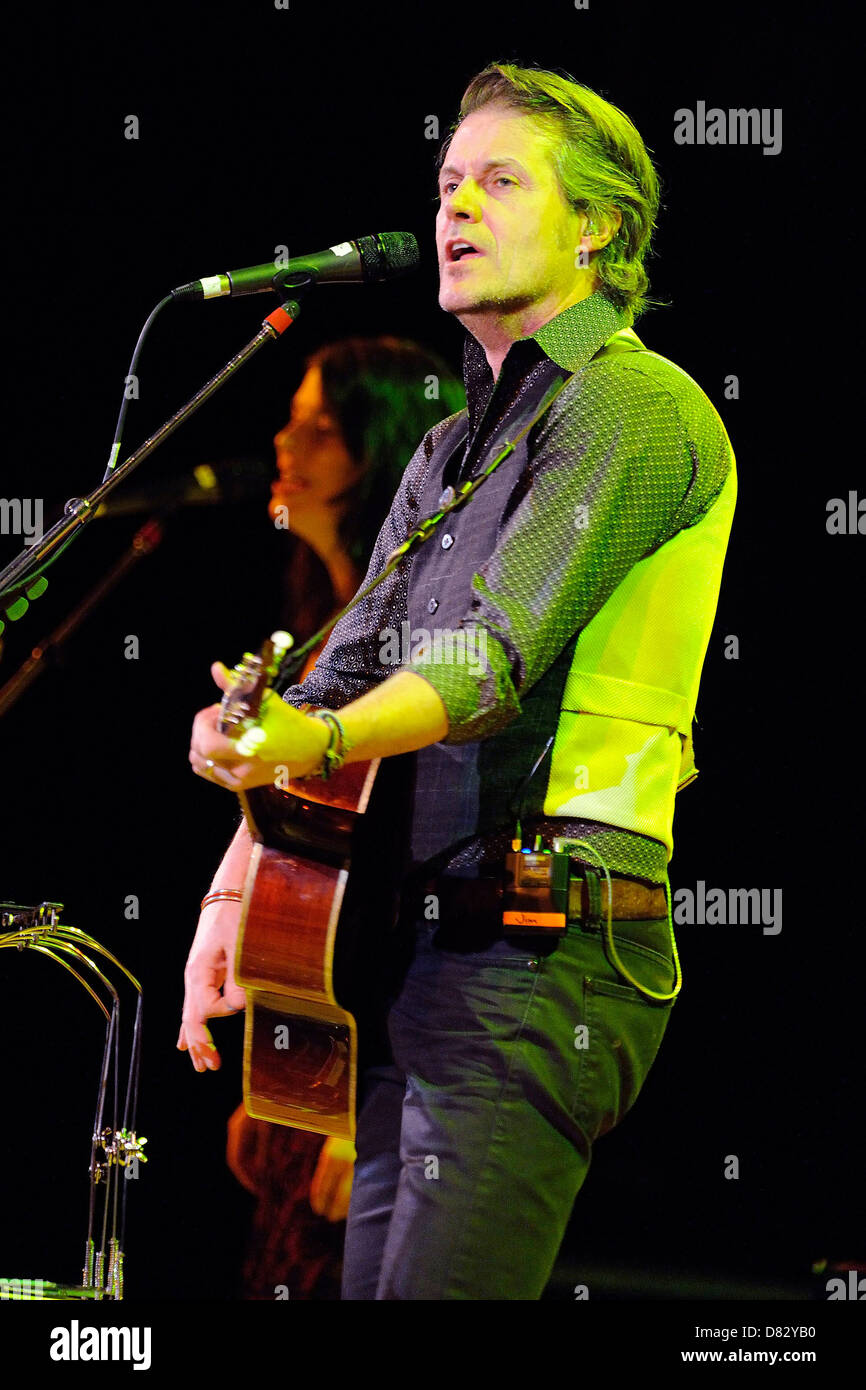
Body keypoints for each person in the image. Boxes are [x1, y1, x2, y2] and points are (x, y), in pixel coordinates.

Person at [181, 62, 737, 1300]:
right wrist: (238, 859)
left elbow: (486, 661)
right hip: (415, 955)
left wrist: (306, 744)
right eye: (446, 184)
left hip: (539, 960)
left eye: (497, 183)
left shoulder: (633, 406)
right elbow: (339, 687)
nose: (456, 210)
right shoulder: (446, 446)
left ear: (594, 228)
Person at [220, 338, 465, 1299]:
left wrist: (348, 1115)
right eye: (290, 418)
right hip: (309, 1055)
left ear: (381, 450)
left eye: (320, 428)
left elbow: (395, 895)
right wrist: (277, 1077)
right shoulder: (323, 618)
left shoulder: (410, 648)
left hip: (376, 1080)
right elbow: (302, 885)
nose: (286, 442)